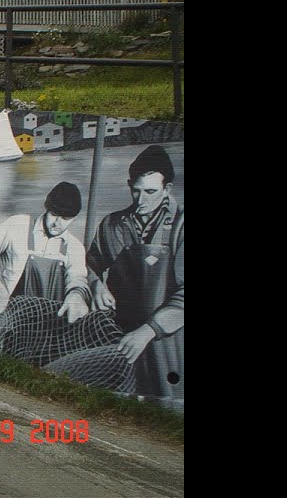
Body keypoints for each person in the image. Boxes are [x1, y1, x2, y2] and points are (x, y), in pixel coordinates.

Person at [87, 145, 184, 400]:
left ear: (167, 189)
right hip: (122, 335)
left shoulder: (180, 227)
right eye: (136, 190)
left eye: (150, 192)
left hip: (169, 340)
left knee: (165, 407)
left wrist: (150, 330)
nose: (140, 201)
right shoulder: (112, 224)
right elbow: (89, 263)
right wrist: (96, 284)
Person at [0, 181, 91, 322]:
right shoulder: (16, 225)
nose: (57, 223)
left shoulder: (75, 247)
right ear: (46, 208)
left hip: (48, 324)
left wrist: (76, 294)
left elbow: (77, 278)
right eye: (54, 215)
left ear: (74, 218)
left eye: (65, 219)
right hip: (5, 317)